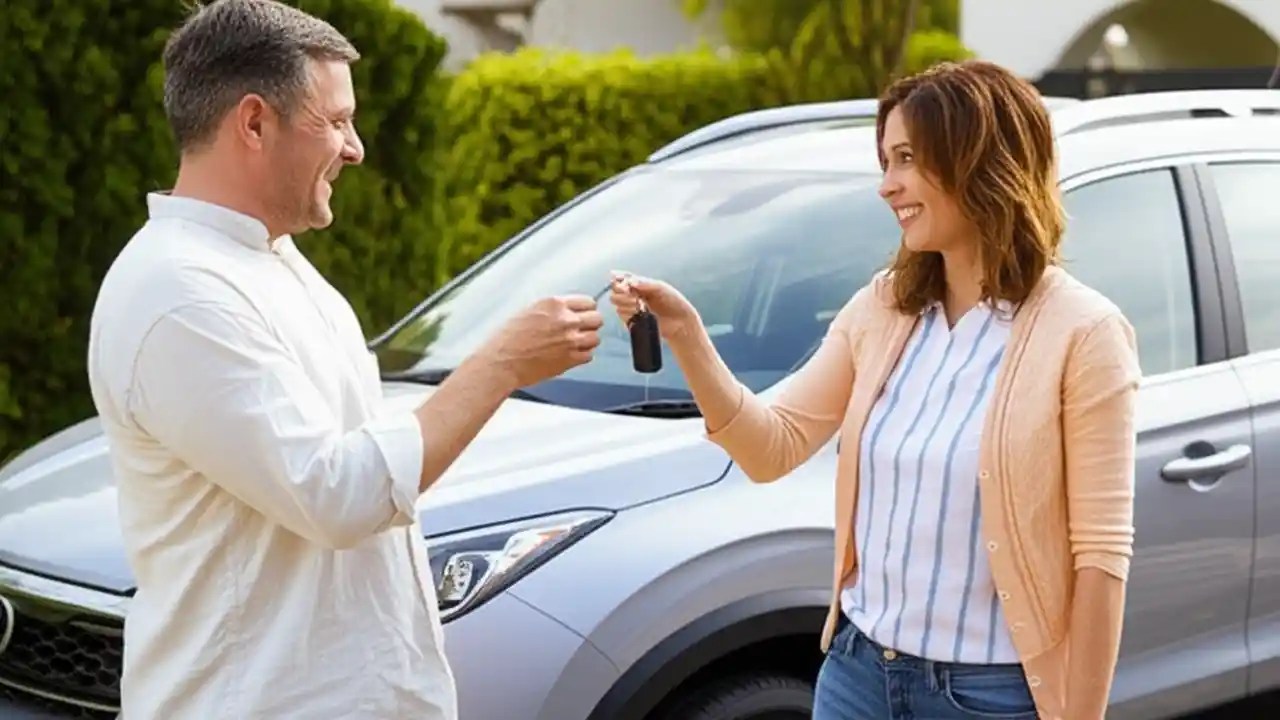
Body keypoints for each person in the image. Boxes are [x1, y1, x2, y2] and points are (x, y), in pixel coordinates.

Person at [85, 1, 602, 717]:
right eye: (335, 121)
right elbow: (336, 495)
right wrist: (503, 363)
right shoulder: (180, 295)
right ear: (255, 123)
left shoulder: (270, 261)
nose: (355, 147)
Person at [609, 59, 1138, 720]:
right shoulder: (885, 307)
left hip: (989, 696)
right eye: (885, 161)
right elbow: (770, 447)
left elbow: (1100, 559)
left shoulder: (1083, 332)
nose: (887, 186)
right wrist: (687, 335)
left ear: (978, 158)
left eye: (908, 159)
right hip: (859, 676)